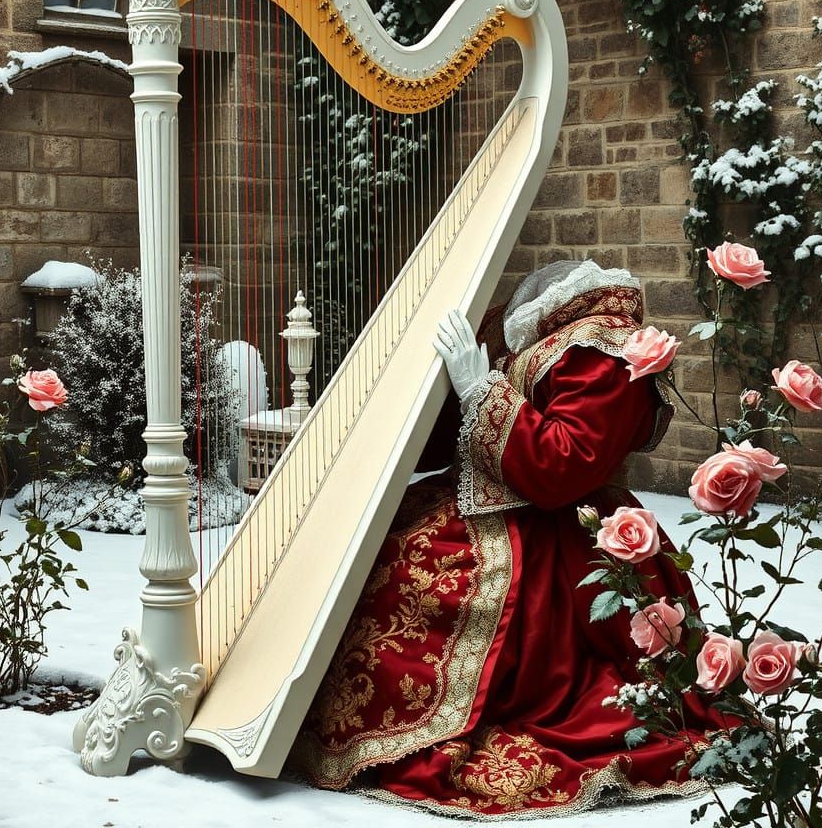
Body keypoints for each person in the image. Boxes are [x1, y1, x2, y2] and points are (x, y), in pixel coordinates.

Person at [292, 259, 726, 817]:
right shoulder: (545, 338)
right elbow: (451, 440)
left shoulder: (603, 351)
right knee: (391, 550)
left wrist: (483, 392)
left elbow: (562, 466)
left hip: (561, 536)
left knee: (424, 582)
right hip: (497, 502)